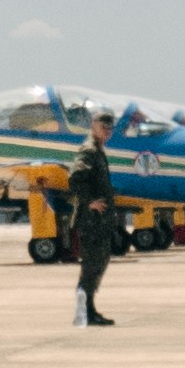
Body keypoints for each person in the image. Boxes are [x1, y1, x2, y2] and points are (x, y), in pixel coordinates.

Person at [67, 113, 120, 328]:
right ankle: (84, 312)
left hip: (99, 221)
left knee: (98, 263)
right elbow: (75, 178)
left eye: (110, 128)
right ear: (93, 126)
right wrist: (89, 201)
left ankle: (88, 310)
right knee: (92, 265)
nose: (107, 132)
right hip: (91, 221)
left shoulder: (97, 150)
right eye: (103, 127)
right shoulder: (89, 150)